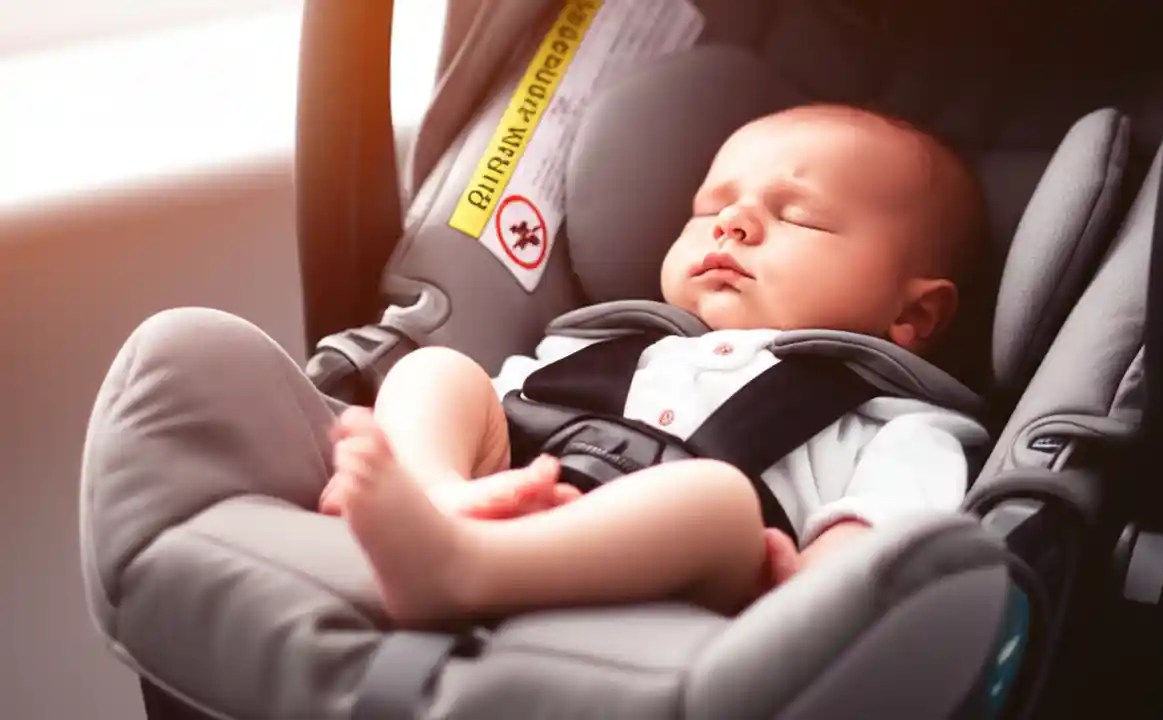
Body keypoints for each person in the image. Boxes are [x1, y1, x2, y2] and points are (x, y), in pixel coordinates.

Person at [316, 103, 991, 627]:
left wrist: (811, 582)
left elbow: (885, 529)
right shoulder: (603, 345)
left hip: (695, 571)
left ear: (914, 315)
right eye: (712, 208)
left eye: (800, 217)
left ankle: (462, 569)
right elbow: (491, 415)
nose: (733, 223)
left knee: (715, 499)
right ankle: (435, 500)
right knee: (438, 372)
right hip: (519, 485)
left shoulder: (894, 421)